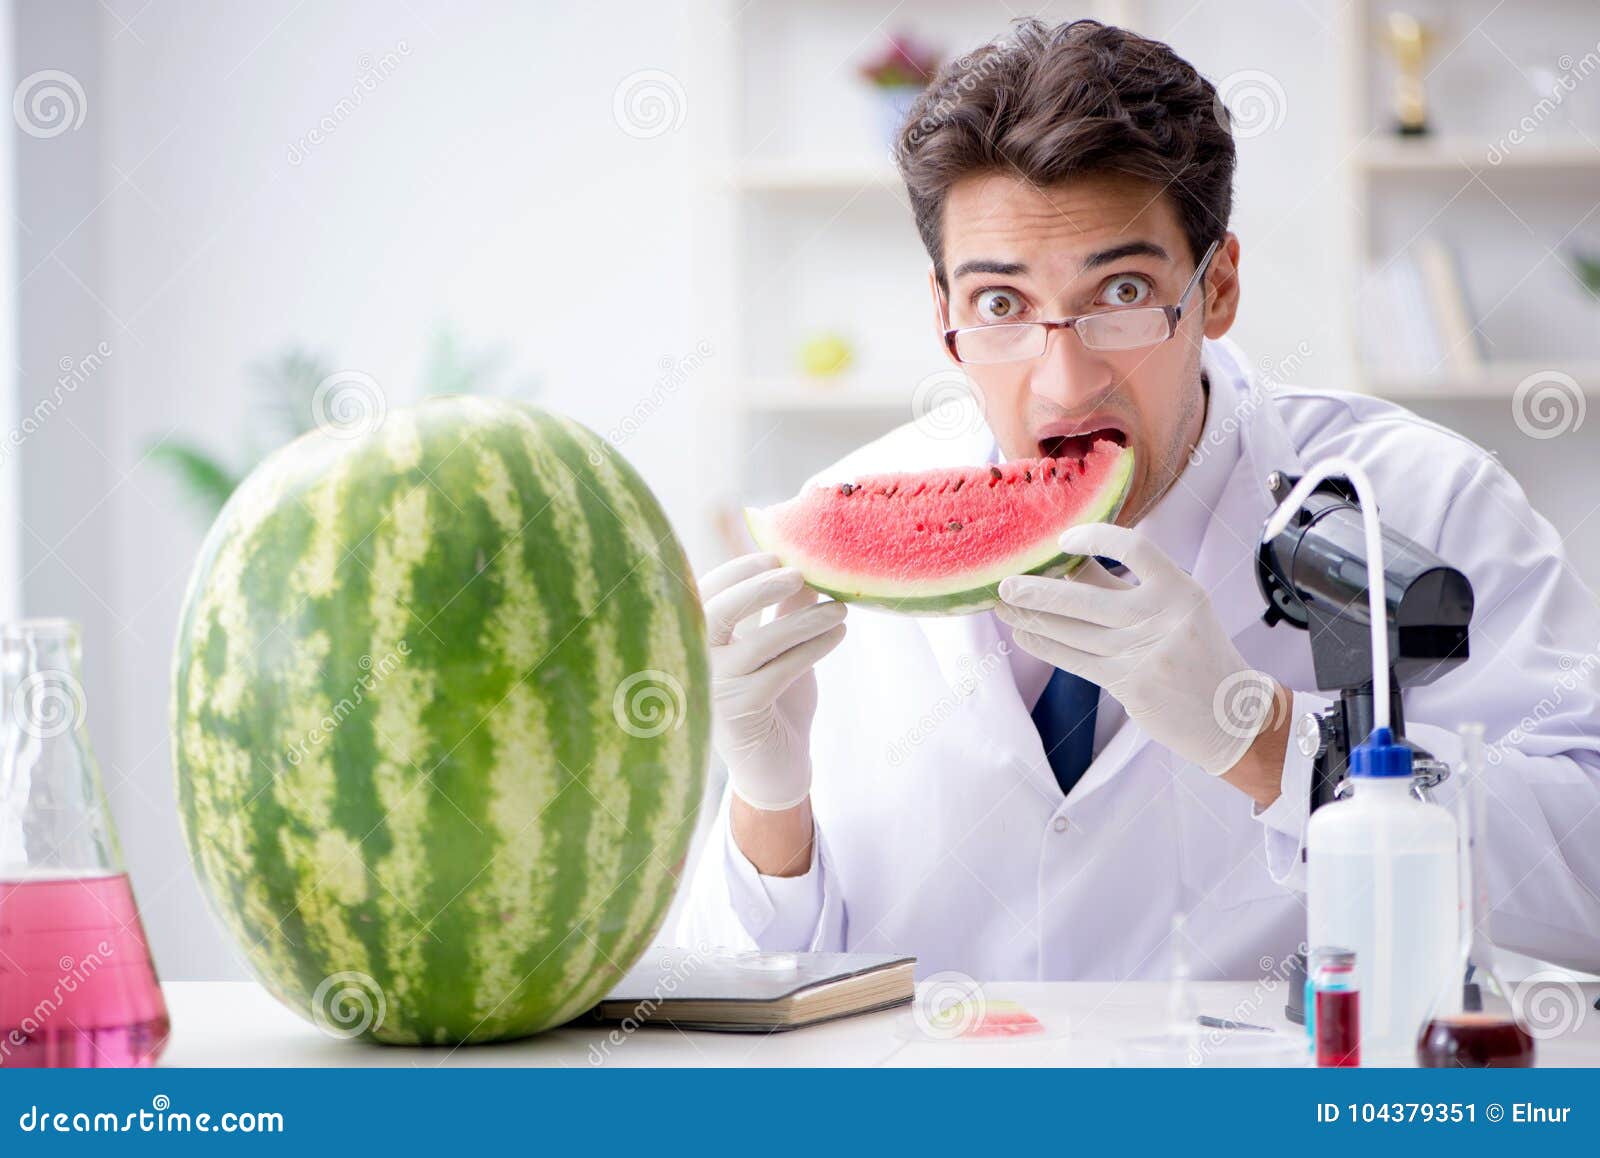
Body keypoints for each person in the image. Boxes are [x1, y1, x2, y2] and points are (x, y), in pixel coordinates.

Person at [672, 18, 1600, 979]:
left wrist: (1274, 742)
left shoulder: (1418, 497)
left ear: (1219, 286)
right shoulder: (842, 526)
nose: (1067, 382)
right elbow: (726, 995)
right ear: (943, 316)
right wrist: (766, 800)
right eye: (1001, 306)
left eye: (1122, 291)